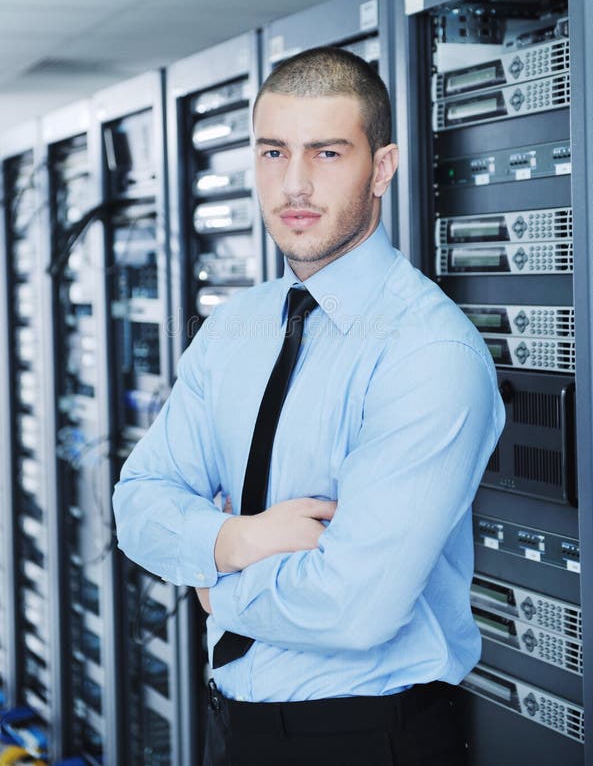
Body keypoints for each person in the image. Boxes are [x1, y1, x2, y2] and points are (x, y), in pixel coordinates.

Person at [113, 46, 505, 766]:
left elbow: (355, 608)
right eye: (272, 152)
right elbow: (137, 503)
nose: (293, 184)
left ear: (381, 166)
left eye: (327, 152)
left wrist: (209, 584)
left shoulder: (425, 353)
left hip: (369, 735)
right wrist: (238, 541)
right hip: (233, 721)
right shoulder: (234, 328)